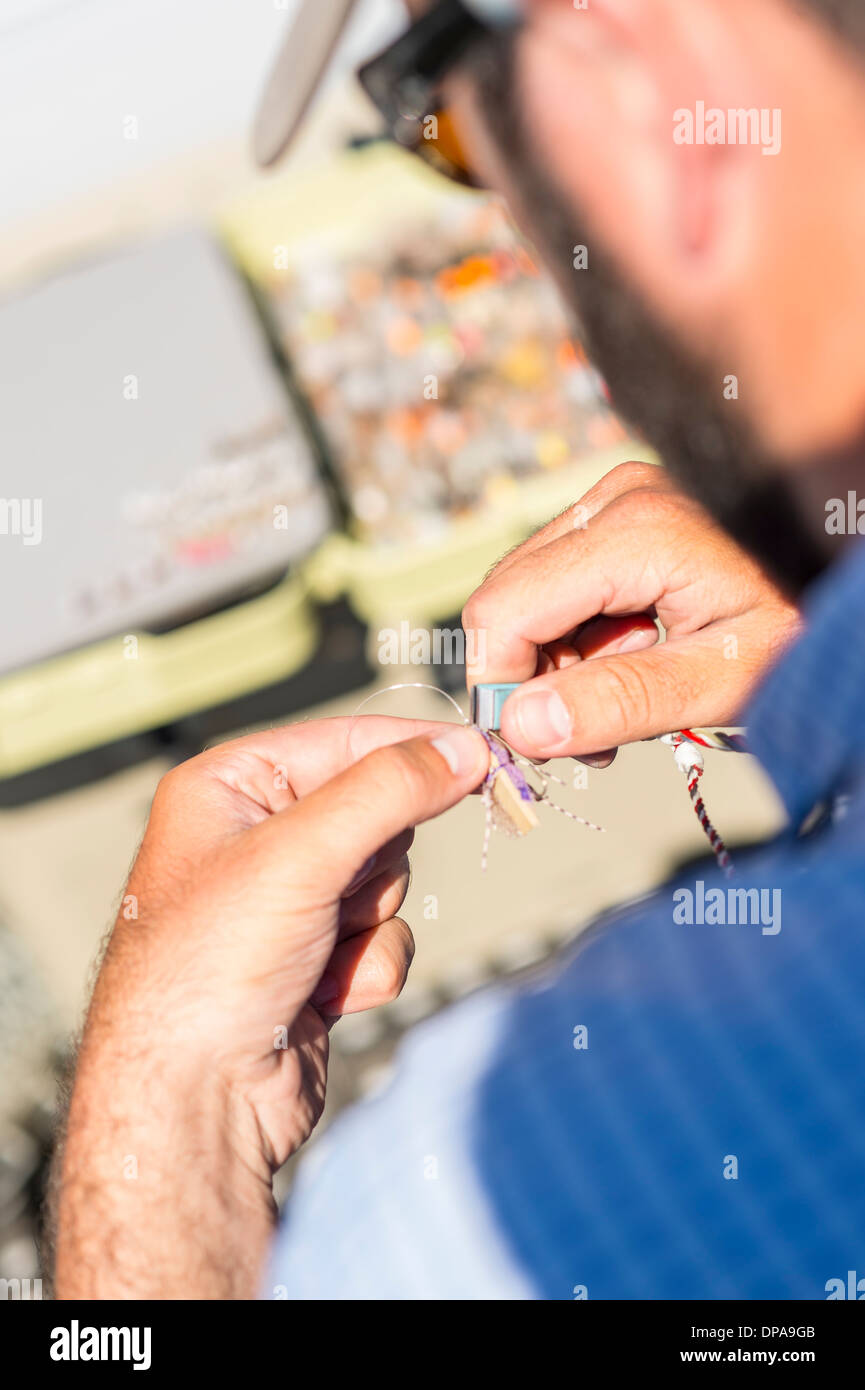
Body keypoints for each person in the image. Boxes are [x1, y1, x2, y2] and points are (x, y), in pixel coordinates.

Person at [53, 0, 865, 1299]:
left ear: (655, 85)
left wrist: (171, 1105)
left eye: (457, 136)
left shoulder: (518, 1189)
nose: (530, 258)